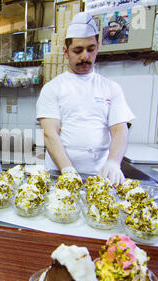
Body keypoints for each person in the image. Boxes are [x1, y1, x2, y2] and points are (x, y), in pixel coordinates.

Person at [36, 12, 135, 186]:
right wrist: (67, 170)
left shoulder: (111, 88)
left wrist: (113, 162)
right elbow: (50, 133)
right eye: (78, 50)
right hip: (59, 173)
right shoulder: (52, 88)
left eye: (90, 49)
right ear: (66, 52)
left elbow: (120, 130)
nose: (85, 57)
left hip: (99, 174)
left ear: (97, 48)